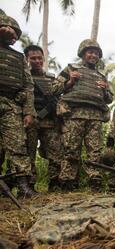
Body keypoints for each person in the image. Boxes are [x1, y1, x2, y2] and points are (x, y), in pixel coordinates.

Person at [51, 39, 112, 192]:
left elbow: (110, 99)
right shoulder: (71, 69)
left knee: (95, 151)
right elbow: (53, 89)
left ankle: (95, 182)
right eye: (90, 52)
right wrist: (70, 81)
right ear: (83, 53)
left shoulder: (101, 76)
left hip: (95, 117)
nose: (94, 55)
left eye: (97, 53)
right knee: (71, 149)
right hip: (74, 115)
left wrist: (105, 90)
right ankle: (67, 182)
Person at [0, 14, 37, 197]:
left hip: (11, 104)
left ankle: (23, 186)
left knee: (17, 146)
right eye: (9, 30)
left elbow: (28, 85)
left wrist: (28, 112)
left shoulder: (19, 57)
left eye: (16, 33)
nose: (12, 35)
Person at [24, 44, 64, 191]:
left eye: (39, 58)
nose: (36, 61)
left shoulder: (52, 79)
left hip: (49, 122)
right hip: (31, 121)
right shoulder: (24, 77)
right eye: (32, 58)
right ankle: (28, 185)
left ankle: (54, 184)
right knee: (29, 153)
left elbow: (59, 99)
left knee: (56, 154)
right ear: (27, 59)